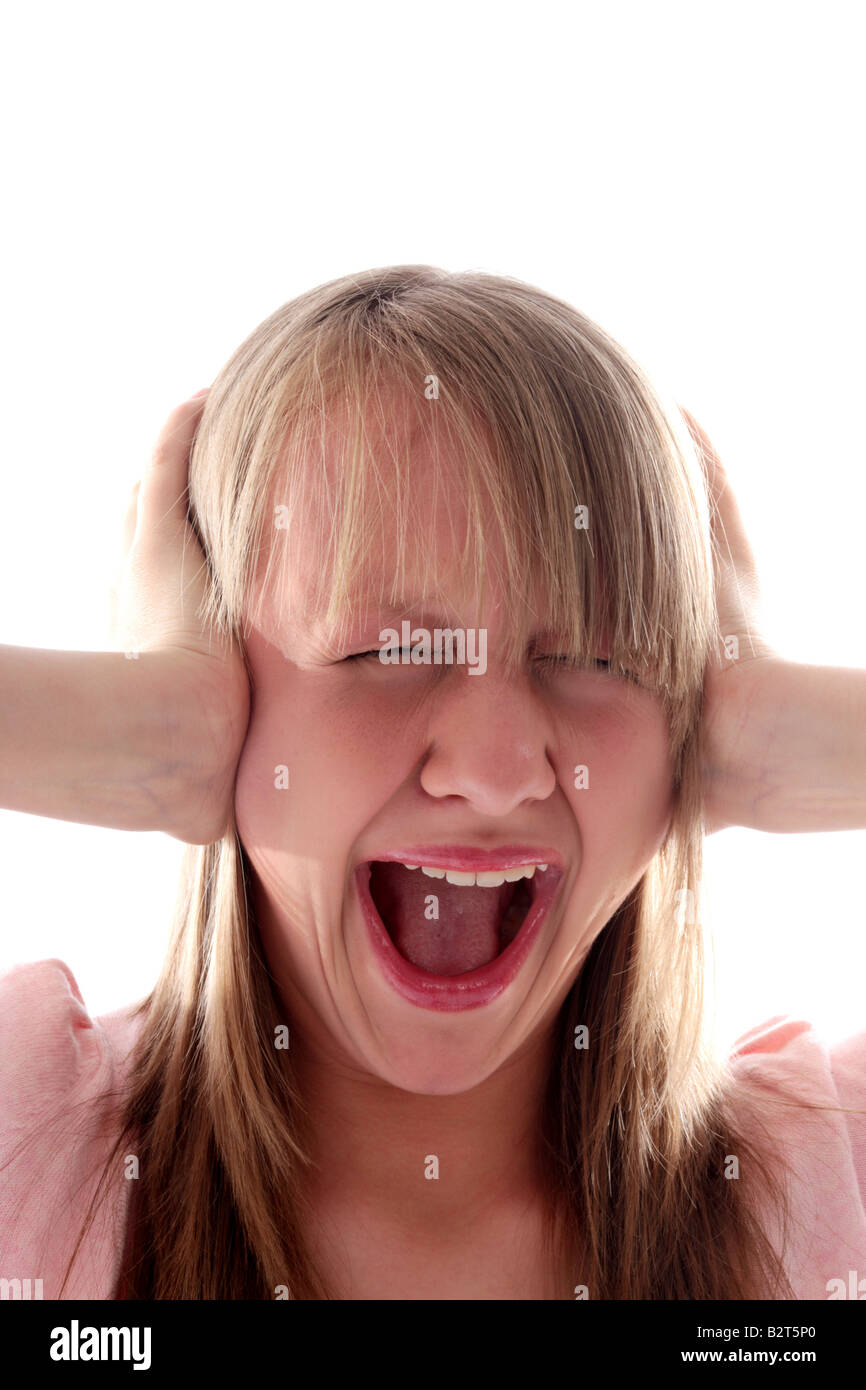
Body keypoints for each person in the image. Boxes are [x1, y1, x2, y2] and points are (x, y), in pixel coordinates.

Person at [1, 266, 864, 1300]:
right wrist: (139, 726)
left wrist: (783, 731)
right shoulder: (30, 1146)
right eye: (382, 651)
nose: (494, 772)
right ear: (220, 693)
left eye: (598, 658)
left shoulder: (824, 1182)